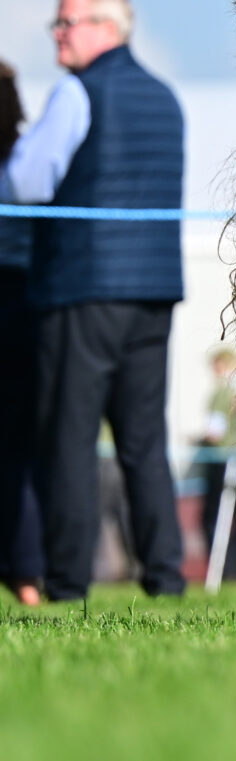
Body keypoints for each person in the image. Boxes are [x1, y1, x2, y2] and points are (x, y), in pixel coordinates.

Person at [1, 0, 184, 600]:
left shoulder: (76, 92)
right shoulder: (166, 99)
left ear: (106, 28)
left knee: (70, 439)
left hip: (80, 290)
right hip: (155, 291)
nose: (57, 32)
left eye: (67, 22)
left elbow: (25, 185)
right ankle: (165, 577)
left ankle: (69, 582)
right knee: (144, 443)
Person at [0, 60, 44, 606]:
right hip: (25, 304)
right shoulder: (30, 161)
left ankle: (28, 573)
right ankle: (28, 576)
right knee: (18, 448)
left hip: (11, 298)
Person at [197, 346, 236, 583]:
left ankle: (221, 570)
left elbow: (214, 432)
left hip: (223, 460)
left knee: (212, 517)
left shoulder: (221, 394)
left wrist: (197, 440)